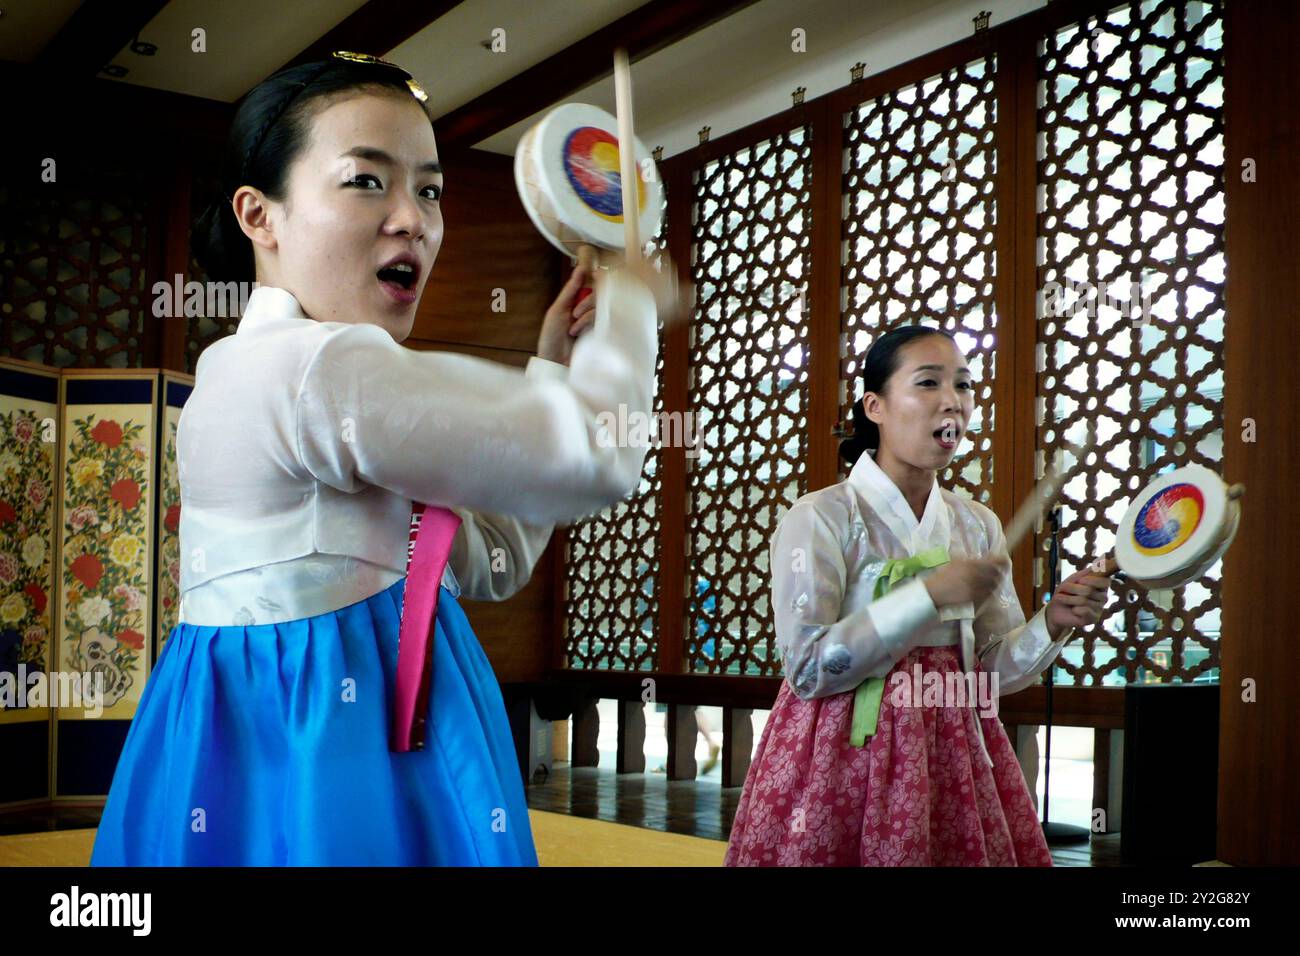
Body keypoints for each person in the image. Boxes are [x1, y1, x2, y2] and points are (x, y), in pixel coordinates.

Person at [90, 52, 677, 866]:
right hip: (335, 749)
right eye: (367, 181)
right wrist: (629, 300)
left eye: (430, 189)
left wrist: (548, 365)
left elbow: (490, 556)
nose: (414, 220)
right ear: (260, 215)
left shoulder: (250, 368)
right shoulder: (318, 370)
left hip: (279, 737)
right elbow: (595, 459)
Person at [724, 325, 1112, 866]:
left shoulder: (976, 526)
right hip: (842, 754)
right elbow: (809, 669)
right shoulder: (821, 517)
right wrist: (926, 596)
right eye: (928, 383)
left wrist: (1053, 620)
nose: (953, 401)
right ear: (875, 406)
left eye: (964, 386)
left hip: (952, 753)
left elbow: (986, 676)